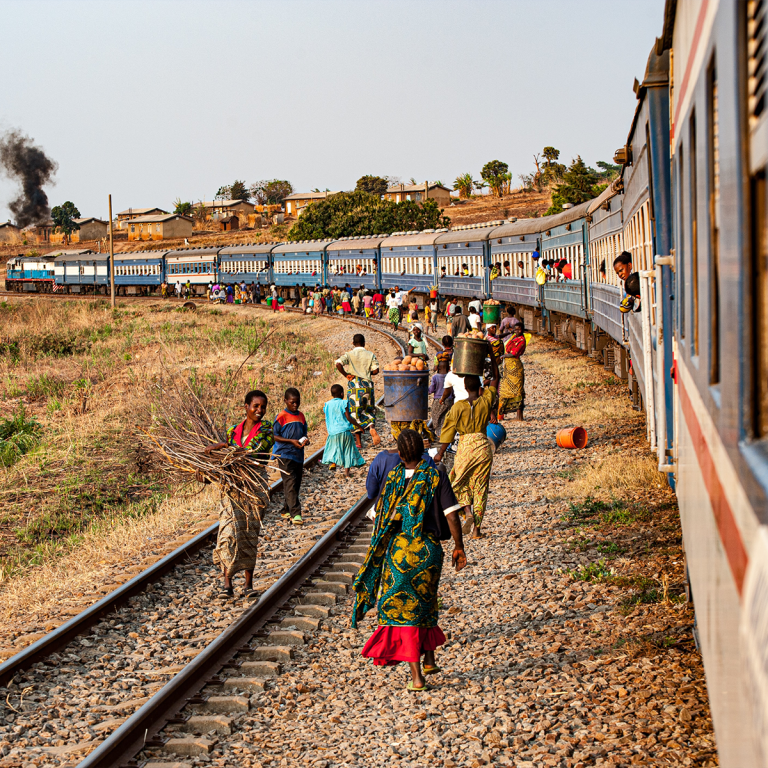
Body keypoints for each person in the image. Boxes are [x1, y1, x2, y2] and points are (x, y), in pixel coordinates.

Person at [352, 429, 467, 691]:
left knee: (403, 612)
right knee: (425, 601)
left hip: (399, 553)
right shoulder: (436, 474)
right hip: (429, 552)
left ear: (401, 455)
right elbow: (451, 515)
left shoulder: (392, 478)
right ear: (423, 452)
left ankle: (416, 677)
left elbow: (377, 517)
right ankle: (429, 660)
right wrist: (459, 546)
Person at [202, 389, 274, 599]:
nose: (259, 410)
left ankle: (248, 585)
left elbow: (250, 451)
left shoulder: (267, 429)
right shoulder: (233, 431)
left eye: (263, 407)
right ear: (246, 407)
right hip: (232, 487)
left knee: (249, 533)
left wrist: (223, 447)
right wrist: (207, 473)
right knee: (228, 532)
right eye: (255, 406)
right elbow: (224, 462)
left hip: (254, 487)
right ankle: (227, 583)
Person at [433, 352, 500, 539]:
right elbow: (495, 379)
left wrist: (440, 453)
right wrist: (493, 357)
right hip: (483, 447)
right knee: (480, 487)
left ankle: (467, 512)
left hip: (465, 447)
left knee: (457, 481)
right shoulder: (486, 402)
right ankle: (477, 530)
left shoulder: (457, 407)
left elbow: (447, 432)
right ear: (479, 389)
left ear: (463, 387)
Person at [335, 334, 382, 448]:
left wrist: (346, 375)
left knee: (355, 413)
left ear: (353, 343)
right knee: (369, 409)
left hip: (354, 386)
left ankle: (359, 442)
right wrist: (366, 373)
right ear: (364, 343)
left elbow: (338, 363)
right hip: (367, 385)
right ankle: (371, 427)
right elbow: (376, 370)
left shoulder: (350, 354)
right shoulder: (370, 354)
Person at [272, 387, 308, 526]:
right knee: (290, 481)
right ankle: (296, 514)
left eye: (297, 402)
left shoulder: (301, 416)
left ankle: (286, 509)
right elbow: (274, 435)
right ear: (285, 401)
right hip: (284, 454)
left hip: (298, 454)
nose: (295, 405)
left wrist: (305, 440)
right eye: (292, 402)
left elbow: (304, 432)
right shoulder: (281, 416)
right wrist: (290, 441)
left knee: (295, 483)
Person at [322, 384, 365, 477]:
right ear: (342, 394)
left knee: (333, 448)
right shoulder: (343, 403)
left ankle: (333, 462)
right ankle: (346, 473)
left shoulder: (327, 404)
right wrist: (359, 426)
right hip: (345, 431)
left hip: (333, 432)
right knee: (348, 451)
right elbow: (348, 417)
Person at [498, 324, 526, 421]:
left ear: (522, 330)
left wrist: (503, 356)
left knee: (517, 390)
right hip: (509, 367)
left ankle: (519, 416)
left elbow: (514, 353)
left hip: (515, 367)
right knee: (506, 389)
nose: (517, 331)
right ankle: (504, 413)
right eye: (515, 329)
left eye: (519, 329)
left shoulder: (522, 340)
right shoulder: (514, 337)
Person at [429, 359, 453, 436]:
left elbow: (431, 390)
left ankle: (440, 434)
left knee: (436, 418)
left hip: (438, 401)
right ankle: (446, 434)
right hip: (449, 400)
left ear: (438, 368)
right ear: (448, 367)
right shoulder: (451, 376)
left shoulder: (435, 377)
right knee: (446, 418)